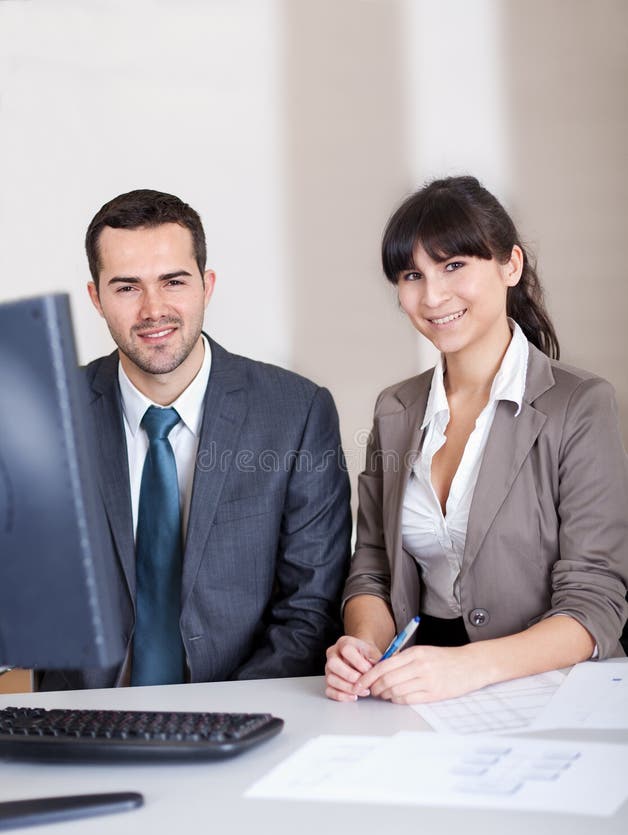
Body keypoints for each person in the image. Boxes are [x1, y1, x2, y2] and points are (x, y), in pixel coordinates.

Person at [325, 175, 628, 705]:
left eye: (454, 265)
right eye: (412, 274)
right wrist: (364, 645)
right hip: (420, 684)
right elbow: (372, 565)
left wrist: (467, 667)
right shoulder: (395, 409)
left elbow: (595, 603)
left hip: (547, 688)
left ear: (511, 265)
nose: (433, 294)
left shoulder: (580, 404)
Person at [38, 189, 351, 690]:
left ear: (206, 286)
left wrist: (222, 715)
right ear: (96, 298)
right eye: (126, 288)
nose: (153, 309)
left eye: (173, 282)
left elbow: (309, 610)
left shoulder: (296, 413)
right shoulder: (45, 413)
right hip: (82, 721)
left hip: (243, 716)